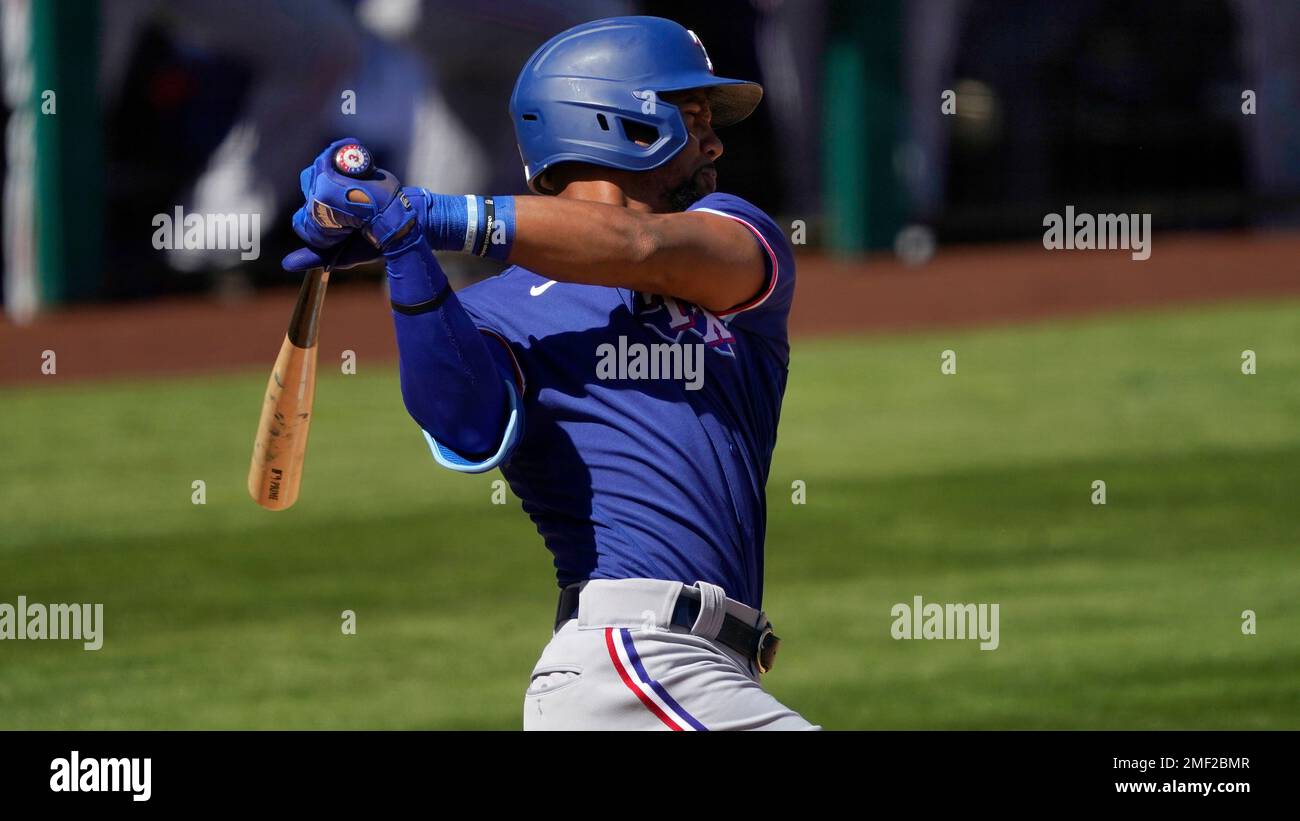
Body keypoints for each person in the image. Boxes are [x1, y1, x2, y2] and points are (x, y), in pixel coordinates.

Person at [285, 15, 817, 730]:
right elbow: (466, 428)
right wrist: (404, 248)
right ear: (618, 122)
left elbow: (636, 245)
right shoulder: (495, 311)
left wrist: (431, 213)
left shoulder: (731, 232)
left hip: (694, 672)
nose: (715, 140)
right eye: (692, 116)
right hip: (628, 664)